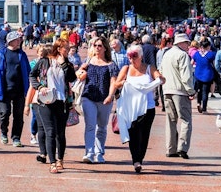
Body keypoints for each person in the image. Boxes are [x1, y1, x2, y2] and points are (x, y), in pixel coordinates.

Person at [24, 39, 76, 173]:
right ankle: (52, 162)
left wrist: (64, 64)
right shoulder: (44, 61)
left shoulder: (67, 64)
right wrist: (40, 87)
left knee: (60, 133)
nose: (68, 50)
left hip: (62, 101)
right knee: (50, 132)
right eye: (66, 48)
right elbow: (32, 75)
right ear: (59, 48)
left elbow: (72, 78)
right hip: (45, 101)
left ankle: (60, 159)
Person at [113, 44, 163, 173]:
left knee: (144, 134)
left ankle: (139, 158)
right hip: (131, 108)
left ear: (140, 56)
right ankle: (136, 160)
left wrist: (159, 79)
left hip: (148, 108)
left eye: (134, 56)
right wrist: (123, 83)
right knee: (133, 133)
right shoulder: (126, 69)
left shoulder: (148, 68)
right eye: (129, 57)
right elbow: (116, 84)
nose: (132, 60)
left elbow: (160, 77)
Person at [77, 36, 118, 164]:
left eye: (99, 45)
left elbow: (113, 82)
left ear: (105, 48)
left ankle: (99, 153)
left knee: (102, 127)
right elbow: (79, 74)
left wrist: (110, 96)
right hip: (88, 96)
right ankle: (89, 153)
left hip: (104, 98)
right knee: (90, 126)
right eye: (95, 45)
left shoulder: (111, 65)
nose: (97, 48)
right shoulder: (88, 61)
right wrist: (80, 71)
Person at [0, 30, 30, 147]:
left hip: (19, 89)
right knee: (4, 113)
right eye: (18, 39)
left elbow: (27, 70)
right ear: (11, 41)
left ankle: (16, 137)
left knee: (18, 115)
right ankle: (3, 133)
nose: (20, 41)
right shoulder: (1, 53)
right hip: (4, 89)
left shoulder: (22, 54)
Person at [160, 33, 194, 159]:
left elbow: (161, 71)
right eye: (186, 43)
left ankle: (170, 148)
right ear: (180, 43)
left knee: (170, 120)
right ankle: (182, 148)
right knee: (186, 120)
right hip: (180, 91)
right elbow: (186, 76)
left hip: (167, 89)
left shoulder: (166, 54)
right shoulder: (183, 55)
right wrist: (191, 91)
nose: (188, 45)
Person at [191, 38, 217, 114]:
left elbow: (191, 63)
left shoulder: (196, 54)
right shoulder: (211, 54)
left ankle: (199, 102)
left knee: (199, 90)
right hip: (207, 75)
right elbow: (214, 64)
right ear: (208, 46)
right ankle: (204, 108)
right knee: (205, 92)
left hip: (198, 74)